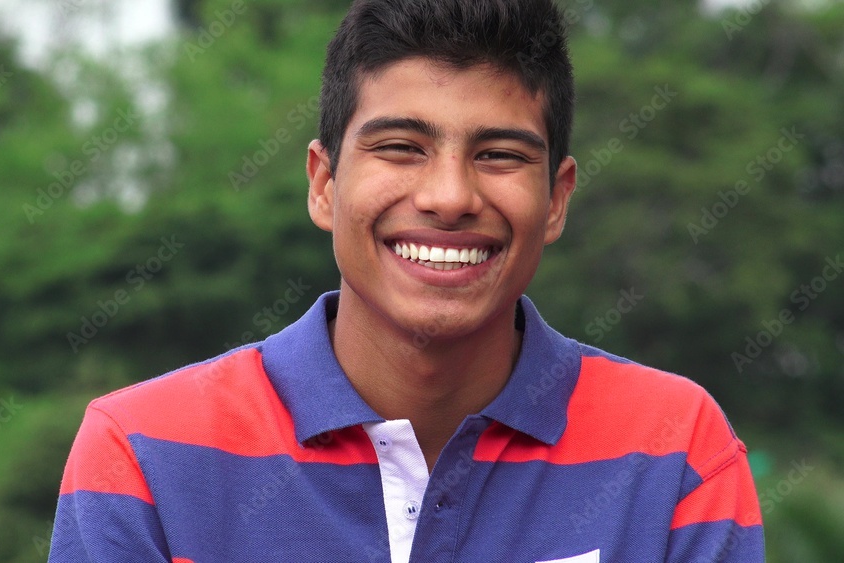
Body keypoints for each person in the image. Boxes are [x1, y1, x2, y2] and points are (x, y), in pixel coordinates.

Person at [50, 0, 764, 561]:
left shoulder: (676, 450)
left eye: (499, 154)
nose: (449, 195)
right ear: (324, 184)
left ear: (556, 199)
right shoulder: (142, 455)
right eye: (401, 147)